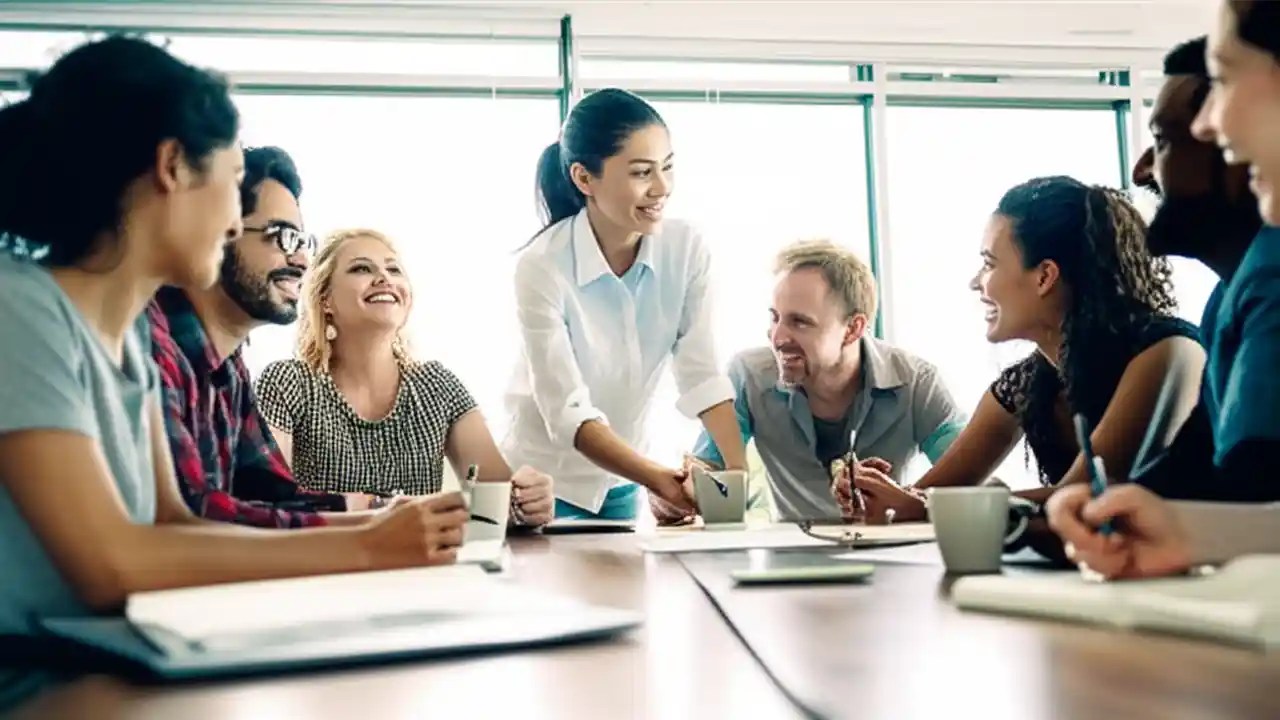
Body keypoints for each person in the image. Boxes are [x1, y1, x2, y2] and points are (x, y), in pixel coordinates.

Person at [0, 36, 466, 708]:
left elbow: (169, 523)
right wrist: (364, 550)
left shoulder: (128, 331)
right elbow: (109, 565)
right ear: (172, 167)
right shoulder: (21, 309)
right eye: (231, 175)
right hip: (35, 681)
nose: (233, 216)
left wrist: (373, 530)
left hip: (112, 661)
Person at [1050, 6, 1280, 578]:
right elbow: (1194, 472)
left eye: (1225, 80)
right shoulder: (1230, 297)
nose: (1210, 126)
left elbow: (1252, 481)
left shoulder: (1269, 281)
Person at [853, 177, 1206, 542]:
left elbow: (1084, 494)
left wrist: (924, 506)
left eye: (989, 264)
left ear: (1044, 277)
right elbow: (925, 495)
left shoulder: (1167, 351)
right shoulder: (1025, 383)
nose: (976, 283)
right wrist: (874, 494)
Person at [503, 88, 748, 521]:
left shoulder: (685, 249)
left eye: (668, 167)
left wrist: (735, 475)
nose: (662, 188)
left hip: (621, 485)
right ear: (584, 179)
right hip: (541, 487)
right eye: (641, 172)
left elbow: (701, 373)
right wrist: (658, 478)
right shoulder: (542, 266)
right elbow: (566, 411)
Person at [255, 229, 555, 527]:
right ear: (325, 301)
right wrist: (375, 505)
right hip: (323, 566)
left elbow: (497, 503)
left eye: (394, 269)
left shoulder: (437, 385)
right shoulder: (286, 382)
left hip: (420, 570)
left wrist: (527, 503)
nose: (384, 278)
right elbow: (265, 499)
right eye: (361, 268)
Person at [149, 145, 370, 528]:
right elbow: (190, 515)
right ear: (219, 230)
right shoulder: (152, 344)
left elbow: (267, 491)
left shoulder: (228, 367)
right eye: (282, 236)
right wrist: (366, 530)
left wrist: (377, 511)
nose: (301, 261)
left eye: (302, 242)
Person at [683, 239, 965, 523]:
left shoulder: (917, 382)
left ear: (853, 328)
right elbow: (710, 468)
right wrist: (681, 494)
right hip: (790, 560)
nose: (777, 338)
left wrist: (905, 499)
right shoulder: (748, 375)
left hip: (889, 552)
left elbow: (972, 483)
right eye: (775, 318)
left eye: (800, 322)